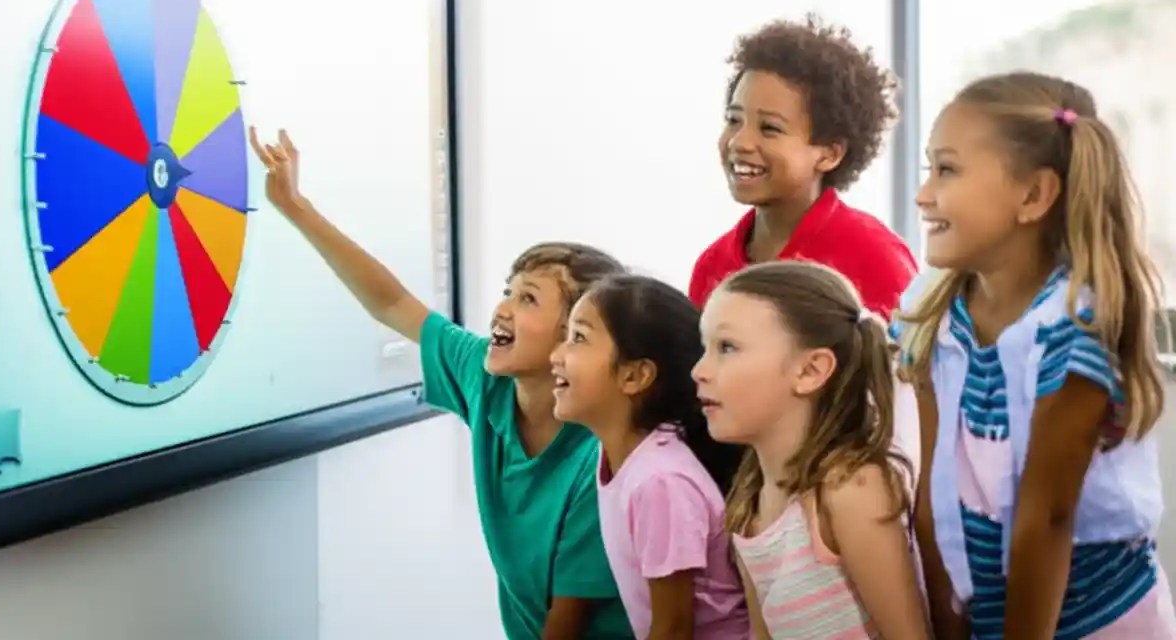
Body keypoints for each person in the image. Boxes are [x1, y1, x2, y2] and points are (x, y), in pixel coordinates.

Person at [250, 128, 633, 639]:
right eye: (507, 291)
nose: (501, 309)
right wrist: (297, 208)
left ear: (573, 337)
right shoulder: (486, 378)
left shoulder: (598, 458)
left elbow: (566, 623)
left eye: (528, 300)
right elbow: (391, 303)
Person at [898, 71, 1176, 639]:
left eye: (946, 169)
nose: (924, 193)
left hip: (1101, 623)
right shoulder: (933, 319)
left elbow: (1045, 520)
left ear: (1033, 196)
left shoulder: (1073, 333)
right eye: (929, 168)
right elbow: (933, 498)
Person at [695, 261, 929, 639]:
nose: (699, 370)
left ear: (810, 371)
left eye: (726, 347)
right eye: (703, 347)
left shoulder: (850, 489)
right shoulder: (748, 502)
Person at [549, 274, 749, 639]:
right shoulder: (622, 458)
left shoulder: (660, 481)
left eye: (578, 338)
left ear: (634, 375)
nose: (556, 355)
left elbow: (673, 629)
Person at [689, 15, 917, 320]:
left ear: (830, 154)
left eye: (769, 128)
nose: (740, 142)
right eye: (734, 120)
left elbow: (910, 362)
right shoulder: (712, 266)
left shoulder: (874, 257)